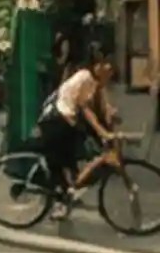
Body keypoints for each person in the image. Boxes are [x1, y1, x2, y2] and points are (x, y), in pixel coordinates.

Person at [35, 50, 119, 219]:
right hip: (56, 120)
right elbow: (86, 109)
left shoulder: (94, 82)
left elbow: (102, 106)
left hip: (68, 122)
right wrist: (102, 132)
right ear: (97, 66)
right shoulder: (85, 77)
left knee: (77, 163)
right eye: (105, 67)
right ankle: (60, 203)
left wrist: (111, 117)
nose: (108, 72)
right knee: (60, 165)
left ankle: (69, 193)